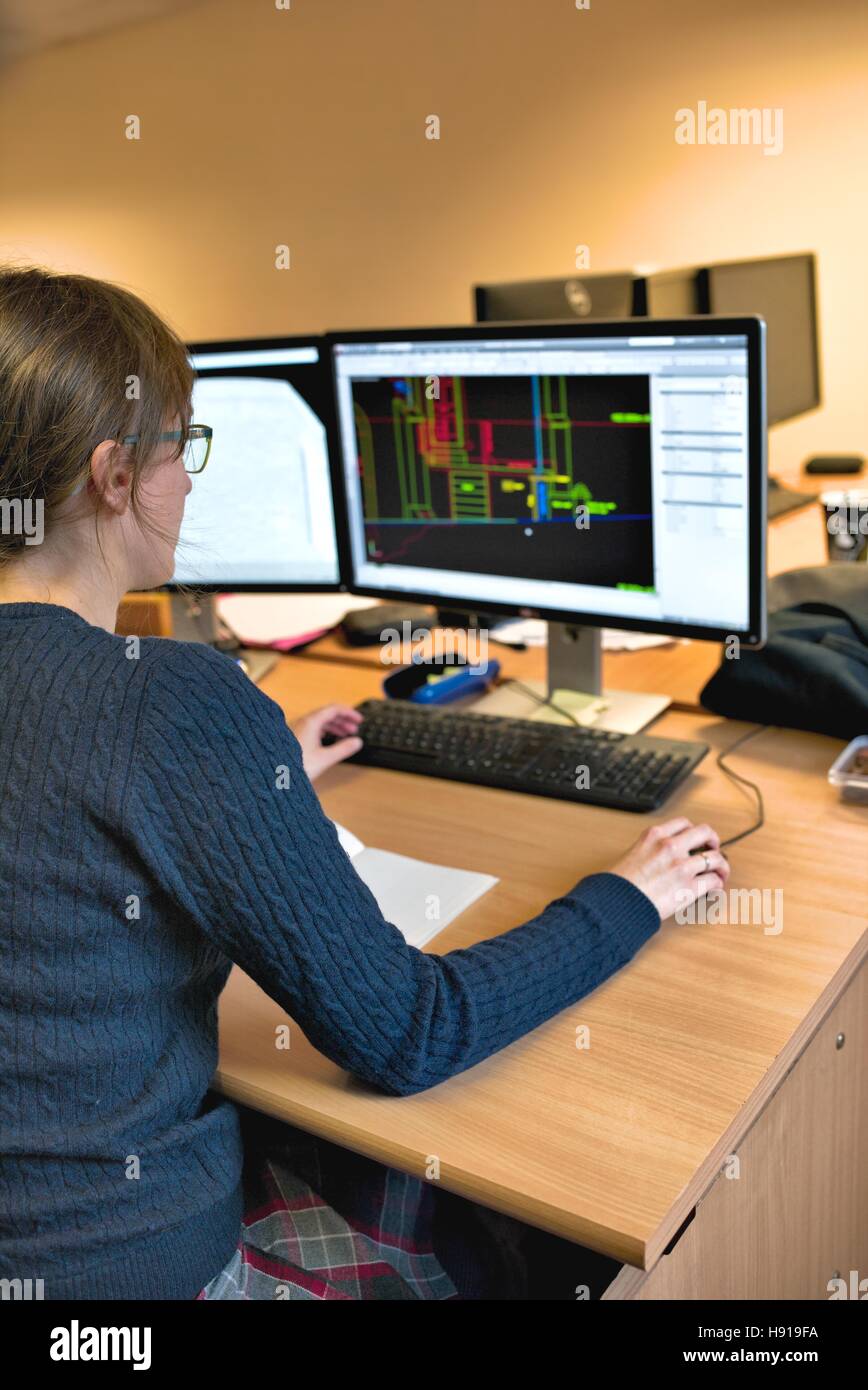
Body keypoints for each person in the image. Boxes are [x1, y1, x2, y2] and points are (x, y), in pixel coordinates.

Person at [0, 266, 729, 1301]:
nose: (191, 480)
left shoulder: (156, 721)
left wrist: (247, 782)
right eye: (182, 447)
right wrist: (631, 893)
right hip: (129, 1280)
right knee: (516, 1245)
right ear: (115, 476)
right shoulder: (170, 703)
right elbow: (408, 1031)